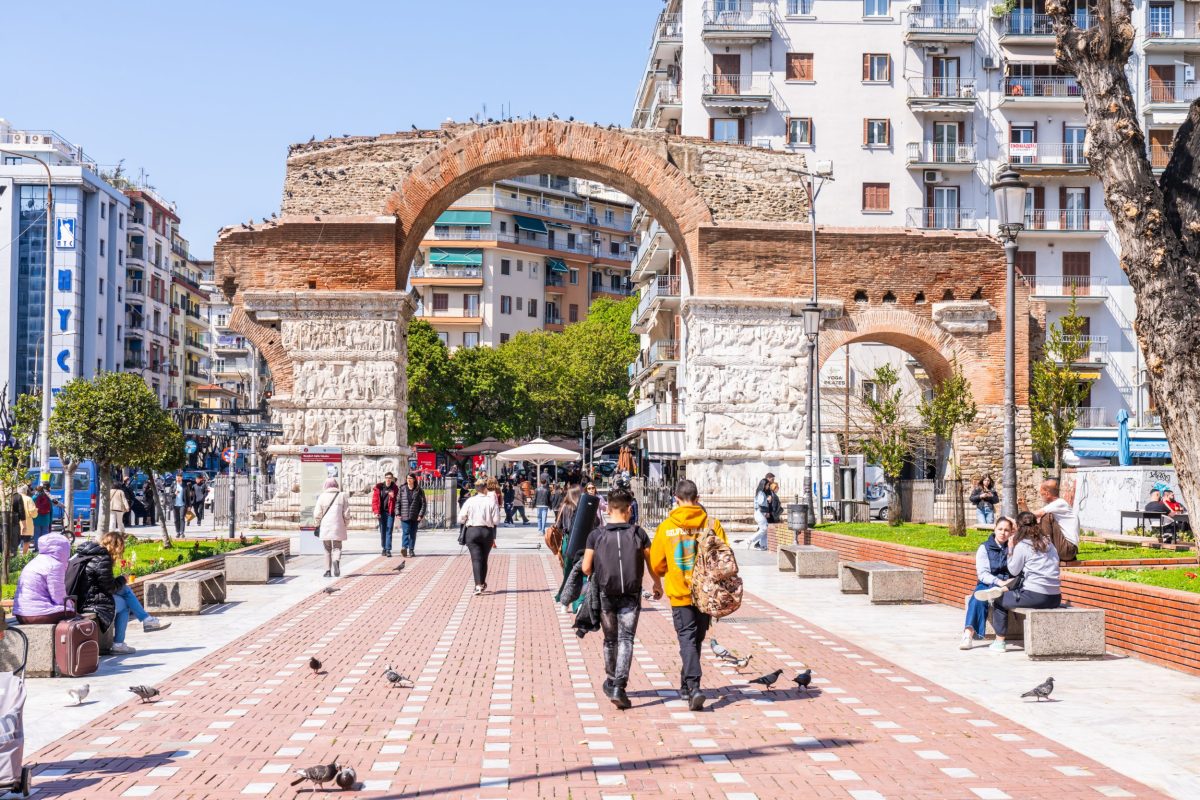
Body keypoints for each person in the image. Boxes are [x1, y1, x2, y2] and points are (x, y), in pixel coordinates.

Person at [649, 479, 728, 711]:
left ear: (676, 498)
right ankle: (688, 685)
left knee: (687, 638)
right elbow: (724, 556)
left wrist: (666, 572)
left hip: (680, 592)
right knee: (696, 638)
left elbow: (656, 564)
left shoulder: (666, 527)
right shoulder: (712, 524)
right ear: (697, 498)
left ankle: (692, 686)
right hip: (706, 593)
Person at [581, 487, 662, 710]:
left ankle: (610, 680)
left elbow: (586, 567)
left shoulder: (596, 535)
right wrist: (657, 583)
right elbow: (651, 563)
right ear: (628, 510)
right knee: (626, 639)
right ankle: (619, 685)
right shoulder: (639, 533)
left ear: (608, 508)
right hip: (631, 594)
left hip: (606, 594)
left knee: (609, 640)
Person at [975, 511, 1062, 652]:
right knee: (1019, 583)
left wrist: (1010, 549)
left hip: (1036, 596)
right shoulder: (1049, 543)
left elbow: (1013, 570)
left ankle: (999, 642)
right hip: (1055, 597)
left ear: (1020, 528)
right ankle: (1003, 589)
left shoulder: (1023, 546)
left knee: (999, 600)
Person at [72, 531, 171, 655]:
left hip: (84, 598)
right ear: (116, 546)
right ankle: (125, 638)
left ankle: (145, 621)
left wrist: (120, 581)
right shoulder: (103, 559)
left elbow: (101, 584)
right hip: (91, 602)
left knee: (125, 592)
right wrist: (123, 579)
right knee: (125, 605)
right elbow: (109, 588)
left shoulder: (91, 554)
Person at [960, 517, 1014, 650]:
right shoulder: (984, 548)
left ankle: (997, 593)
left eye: (1007, 530)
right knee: (978, 598)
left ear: (1011, 532)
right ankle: (968, 634)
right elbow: (983, 574)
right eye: (1000, 529)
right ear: (994, 529)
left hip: (1008, 583)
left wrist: (1012, 549)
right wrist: (998, 581)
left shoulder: (1013, 547)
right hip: (989, 581)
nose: (1003, 533)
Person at [13, 532, 76, 625]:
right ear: (63, 549)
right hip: (36, 615)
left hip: (20, 614)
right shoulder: (55, 565)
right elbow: (58, 596)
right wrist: (71, 606)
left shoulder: (36, 560)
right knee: (72, 612)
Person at [458, 479, 502, 595]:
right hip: (487, 531)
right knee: (484, 558)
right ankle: (482, 583)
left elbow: (460, 518)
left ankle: (478, 585)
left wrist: (467, 518)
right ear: (485, 488)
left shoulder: (470, 501)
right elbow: (497, 520)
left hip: (472, 531)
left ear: (476, 489)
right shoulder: (491, 501)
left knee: (476, 559)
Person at [1031, 478, 1078, 561]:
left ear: (1047, 494)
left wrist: (1017, 518)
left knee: (1046, 516)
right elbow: (1031, 518)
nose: (1042, 497)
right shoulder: (1057, 506)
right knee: (1039, 520)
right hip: (1067, 549)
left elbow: (1037, 514)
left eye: (1042, 495)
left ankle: (1046, 551)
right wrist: (1023, 507)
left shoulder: (1059, 503)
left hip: (1068, 550)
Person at [313, 477, 350, 578]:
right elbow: (346, 513)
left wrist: (317, 523)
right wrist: (345, 524)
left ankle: (328, 571)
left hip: (325, 526)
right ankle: (336, 560)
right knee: (337, 547)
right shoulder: (342, 495)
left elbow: (317, 513)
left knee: (327, 549)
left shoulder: (322, 496)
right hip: (338, 525)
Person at [396, 473, 426, 558]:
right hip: (404, 514)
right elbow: (398, 502)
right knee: (406, 532)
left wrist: (420, 515)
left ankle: (411, 549)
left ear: (414, 479)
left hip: (415, 515)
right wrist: (397, 512)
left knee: (413, 533)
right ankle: (404, 548)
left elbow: (423, 504)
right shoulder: (402, 489)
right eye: (407, 478)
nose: (409, 479)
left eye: (410, 478)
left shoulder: (419, 490)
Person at [371, 472, 400, 557]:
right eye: (387, 477)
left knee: (389, 530)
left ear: (392, 479)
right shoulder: (379, 488)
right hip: (381, 512)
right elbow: (375, 501)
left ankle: (388, 549)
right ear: (384, 478)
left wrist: (393, 496)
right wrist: (376, 512)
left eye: (390, 478)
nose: (388, 479)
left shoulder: (395, 488)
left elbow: (398, 501)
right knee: (383, 530)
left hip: (390, 512)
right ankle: (384, 547)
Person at [750, 473, 775, 550]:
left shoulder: (764, 491)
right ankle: (751, 540)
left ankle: (762, 545)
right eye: (772, 479)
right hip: (761, 512)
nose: (773, 481)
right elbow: (761, 503)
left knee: (764, 529)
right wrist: (768, 500)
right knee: (763, 529)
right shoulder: (761, 492)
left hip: (764, 512)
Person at [170, 475, 195, 540]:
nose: (178, 479)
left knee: (181, 518)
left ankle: (182, 532)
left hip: (183, 505)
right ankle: (177, 532)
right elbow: (170, 494)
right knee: (176, 520)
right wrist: (174, 494)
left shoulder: (185, 486)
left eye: (179, 478)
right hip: (175, 505)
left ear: (181, 478)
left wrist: (189, 506)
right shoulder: (173, 485)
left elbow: (188, 497)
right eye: (177, 478)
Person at [32, 484, 52, 552]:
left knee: (36, 534)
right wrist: (50, 520)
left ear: (36, 490)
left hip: (36, 518)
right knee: (45, 534)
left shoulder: (34, 497)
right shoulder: (47, 497)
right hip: (46, 519)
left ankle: (37, 548)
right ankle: (44, 548)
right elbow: (51, 509)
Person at [17, 486, 36, 555]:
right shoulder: (29, 499)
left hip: (16, 523)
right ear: (26, 491)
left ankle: (15, 555)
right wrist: (36, 512)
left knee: (16, 540)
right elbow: (32, 512)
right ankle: (24, 555)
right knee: (27, 540)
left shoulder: (14, 498)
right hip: (27, 523)